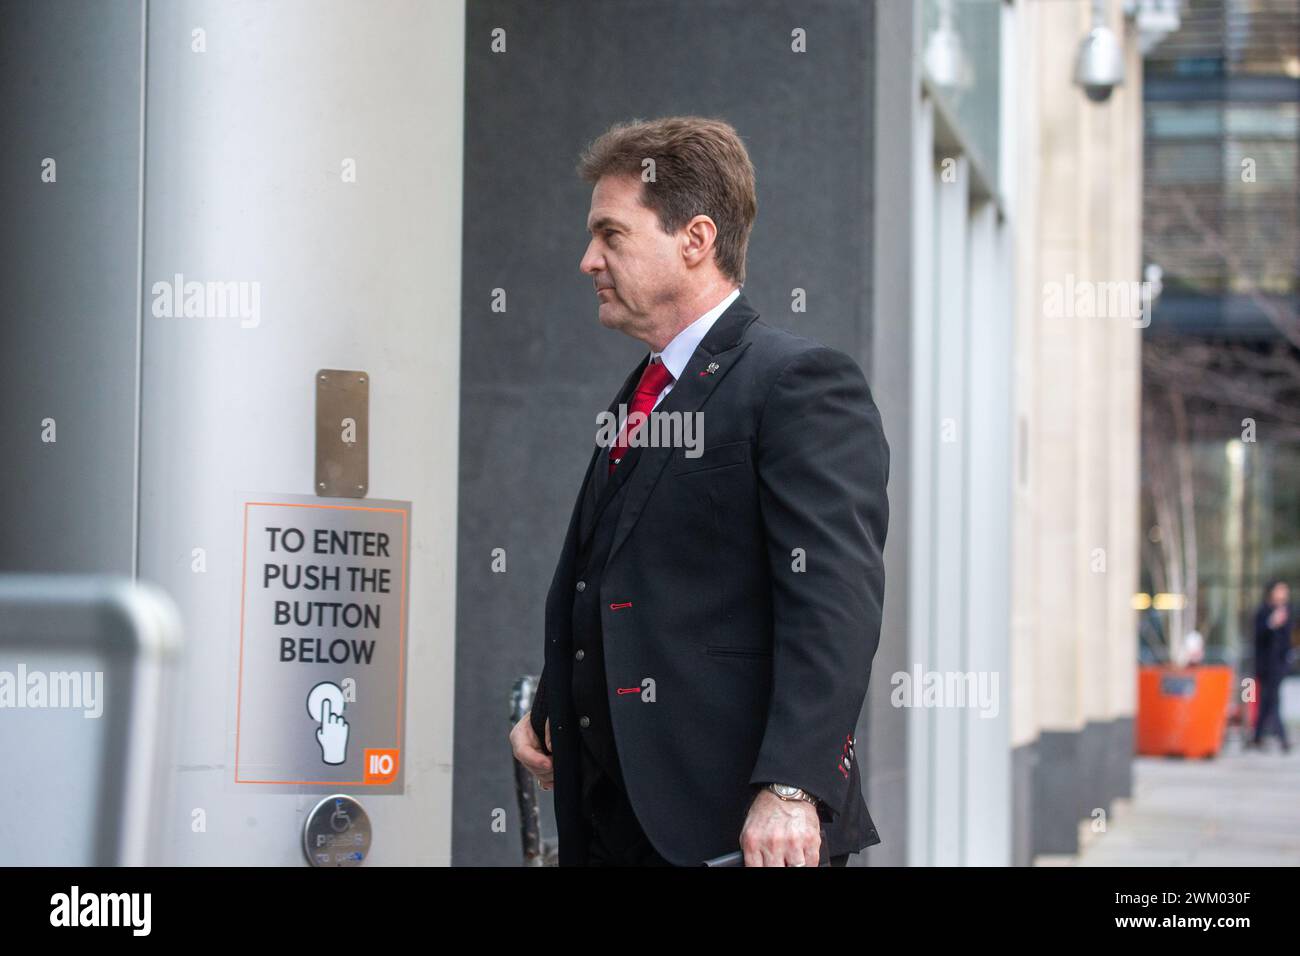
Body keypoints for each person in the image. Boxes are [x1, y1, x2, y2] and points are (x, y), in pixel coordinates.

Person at [508, 116, 890, 866]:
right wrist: (555, 704)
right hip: (614, 826)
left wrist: (792, 786)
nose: (589, 260)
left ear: (695, 238)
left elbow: (834, 602)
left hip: (740, 837)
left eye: (611, 235)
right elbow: (622, 574)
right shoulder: (643, 392)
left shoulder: (799, 383)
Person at [1248, 580, 1293, 752]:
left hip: (1279, 665)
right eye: (1280, 590)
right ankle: (1280, 737)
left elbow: (1287, 639)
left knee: (1269, 700)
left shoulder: (1288, 611)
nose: (1283, 593)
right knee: (1270, 700)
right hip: (1265, 665)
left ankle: (1258, 736)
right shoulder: (1263, 611)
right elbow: (1258, 635)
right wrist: (1272, 623)